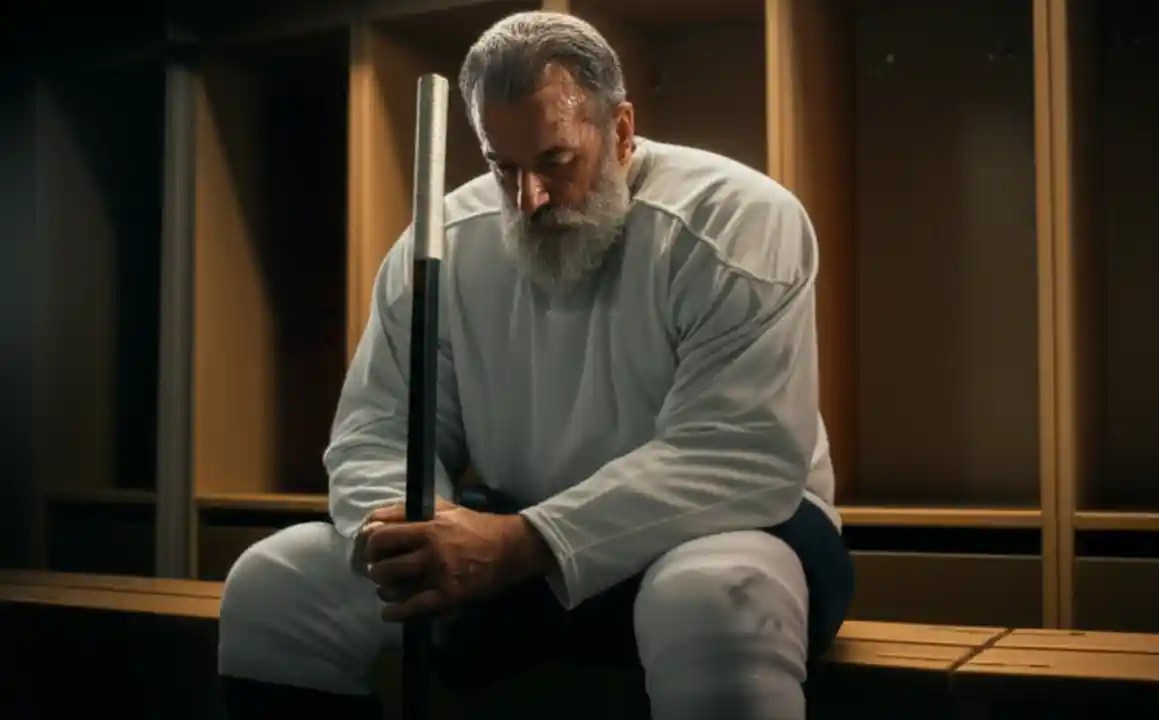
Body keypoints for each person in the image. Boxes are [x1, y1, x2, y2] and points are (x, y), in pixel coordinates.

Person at [216, 9, 854, 720]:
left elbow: (739, 451)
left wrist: (523, 544)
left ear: (620, 130)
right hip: (508, 538)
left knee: (713, 599)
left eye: (555, 161)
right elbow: (379, 431)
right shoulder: (445, 240)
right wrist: (412, 534)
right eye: (502, 166)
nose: (528, 199)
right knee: (274, 586)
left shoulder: (735, 220)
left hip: (729, 527)